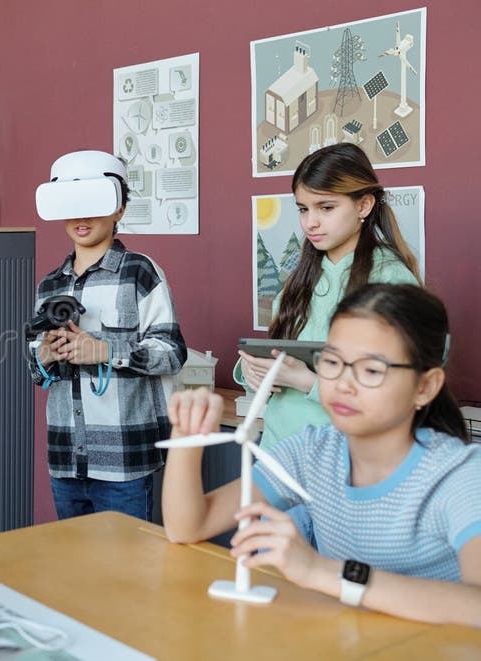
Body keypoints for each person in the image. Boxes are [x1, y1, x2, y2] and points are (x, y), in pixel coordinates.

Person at [163, 284, 481, 626]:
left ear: (426, 387)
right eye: (331, 361)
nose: (342, 383)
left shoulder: (460, 473)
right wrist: (187, 434)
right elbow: (188, 526)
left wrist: (321, 572)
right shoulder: (313, 451)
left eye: (371, 370)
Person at [29, 149, 187, 521]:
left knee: (130, 573)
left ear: (119, 209)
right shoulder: (49, 285)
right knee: (76, 573)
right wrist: (47, 355)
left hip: (125, 462)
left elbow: (171, 352)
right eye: (73, 205)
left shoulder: (140, 272)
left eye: (94, 204)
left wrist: (103, 350)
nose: (82, 218)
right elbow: (36, 371)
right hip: (66, 460)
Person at [236, 143, 421, 451]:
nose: (311, 222)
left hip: (348, 459)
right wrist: (253, 371)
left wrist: (307, 382)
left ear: (363, 206)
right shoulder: (299, 280)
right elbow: (281, 353)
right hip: (278, 452)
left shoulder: (391, 279)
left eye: (326, 207)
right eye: (303, 209)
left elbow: (400, 388)